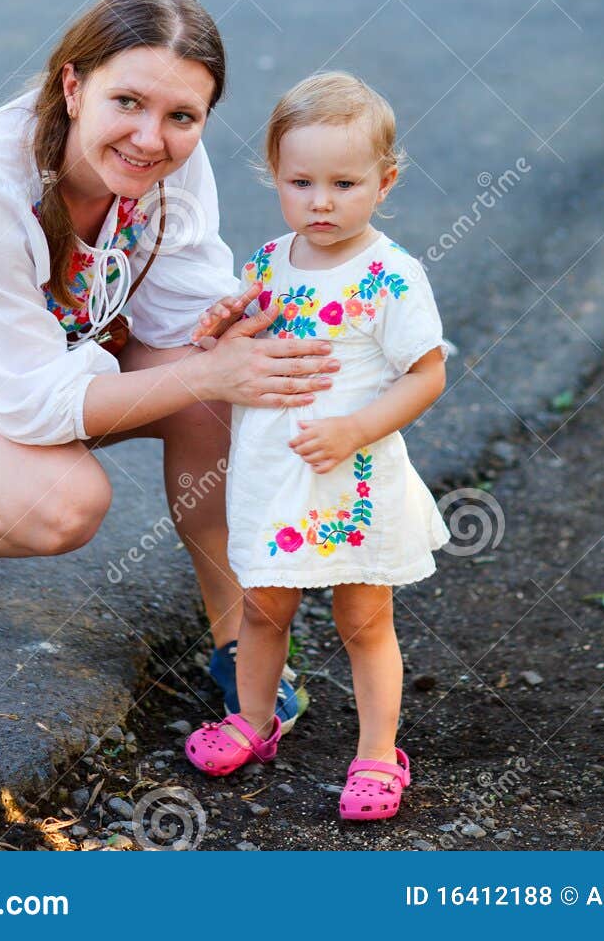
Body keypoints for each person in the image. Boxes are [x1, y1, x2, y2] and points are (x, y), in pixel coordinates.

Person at [0, 0, 341, 728]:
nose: (151, 137)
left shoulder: (165, 162)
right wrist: (205, 367)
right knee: (63, 507)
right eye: (127, 101)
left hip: (49, 359)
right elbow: (29, 402)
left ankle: (241, 644)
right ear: (73, 84)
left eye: (181, 116)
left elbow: (184, 317)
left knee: (226, 391)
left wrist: (269, 337)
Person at [182, 72, 449, 821]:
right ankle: (254, 720)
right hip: (274, 478)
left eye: (343, 182)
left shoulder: (389, 276)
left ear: (384, 181)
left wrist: (356, 429)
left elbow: (426, 376)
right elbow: (247, 342)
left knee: (364, 620)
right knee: (263, 610)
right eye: (300, 182)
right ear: (275, 178)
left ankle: (375, 753)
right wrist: (222, 325)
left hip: (349, 476)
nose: (321, 201)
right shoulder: (268, 262)